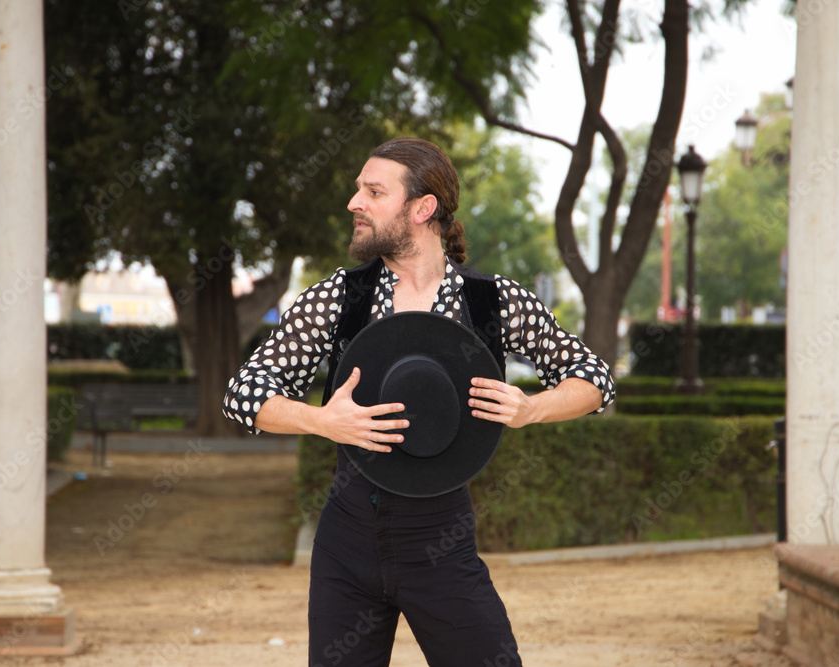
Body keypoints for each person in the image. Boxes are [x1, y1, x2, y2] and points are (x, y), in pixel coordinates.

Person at [223, 137, 615, 666]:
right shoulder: (338, 297)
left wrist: (532, 408)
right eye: (358, 190)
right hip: (346, 545)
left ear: (422, 208)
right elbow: (244, 392)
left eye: (373, 192)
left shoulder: (493, 300)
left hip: (442, 545)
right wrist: (321, 420)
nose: (354, 203)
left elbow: (593, 377)